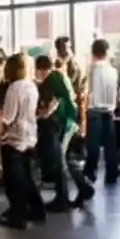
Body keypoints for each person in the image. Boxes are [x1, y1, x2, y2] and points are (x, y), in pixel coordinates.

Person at [35, 55, 94, 211]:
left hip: (63, 123)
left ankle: (62, 198)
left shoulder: (51, 80)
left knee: (59, 160)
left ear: (40, 69)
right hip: (70, 122)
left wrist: (41, 114)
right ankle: (85, 188)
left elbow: (53, 103)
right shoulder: (60, 76)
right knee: (66, 159)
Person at [0, 53, 43, 229]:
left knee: (14, 181)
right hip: (30, 136)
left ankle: (18, 216)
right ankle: (37, 209)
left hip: (14, 138)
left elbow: (9, 117)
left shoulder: (14, 88)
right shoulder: (32, 86)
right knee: (28, 178)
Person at [83, 39, 120, 185]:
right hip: (109, 110)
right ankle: (112, 174)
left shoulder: (93, 68)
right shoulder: (113, 70)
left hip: (94, 110)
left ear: (94, 52)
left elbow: (87, 88)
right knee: (111, 145)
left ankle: (89, 172)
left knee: (93, 145)